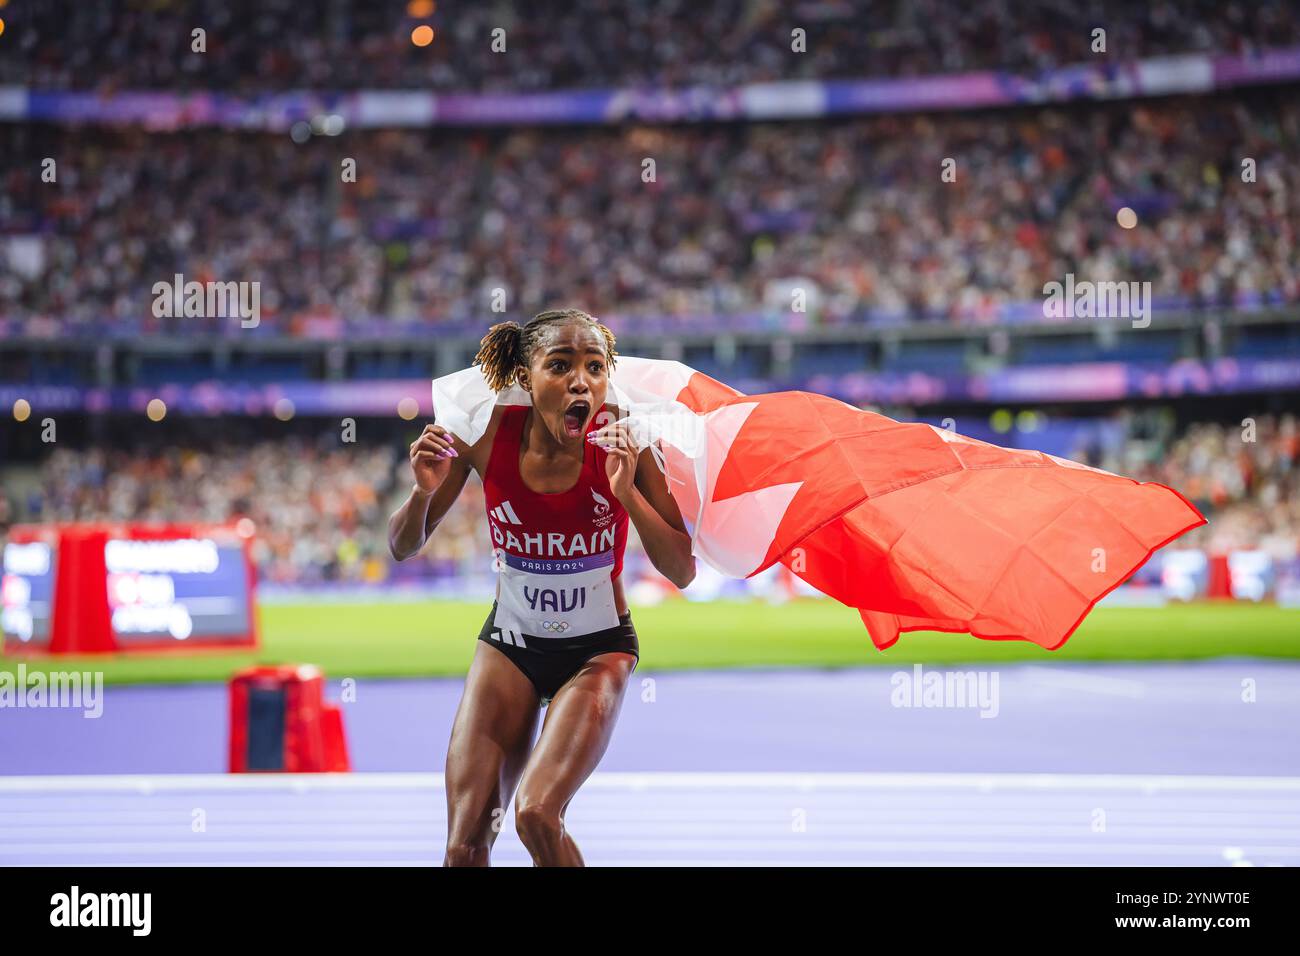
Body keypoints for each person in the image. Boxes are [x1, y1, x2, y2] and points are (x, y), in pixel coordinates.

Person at [388, 308, 696, 866]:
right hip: (510, 646)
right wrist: (421, 494)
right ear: (525, 378)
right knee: (463, 848)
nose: (581, 381)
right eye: (560, 365)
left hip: (597, 649)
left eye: (594, 367)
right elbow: (403, 546)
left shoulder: (628, 439)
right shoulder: (483, 434)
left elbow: (682, 570)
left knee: (535, 815)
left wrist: (627, 493)